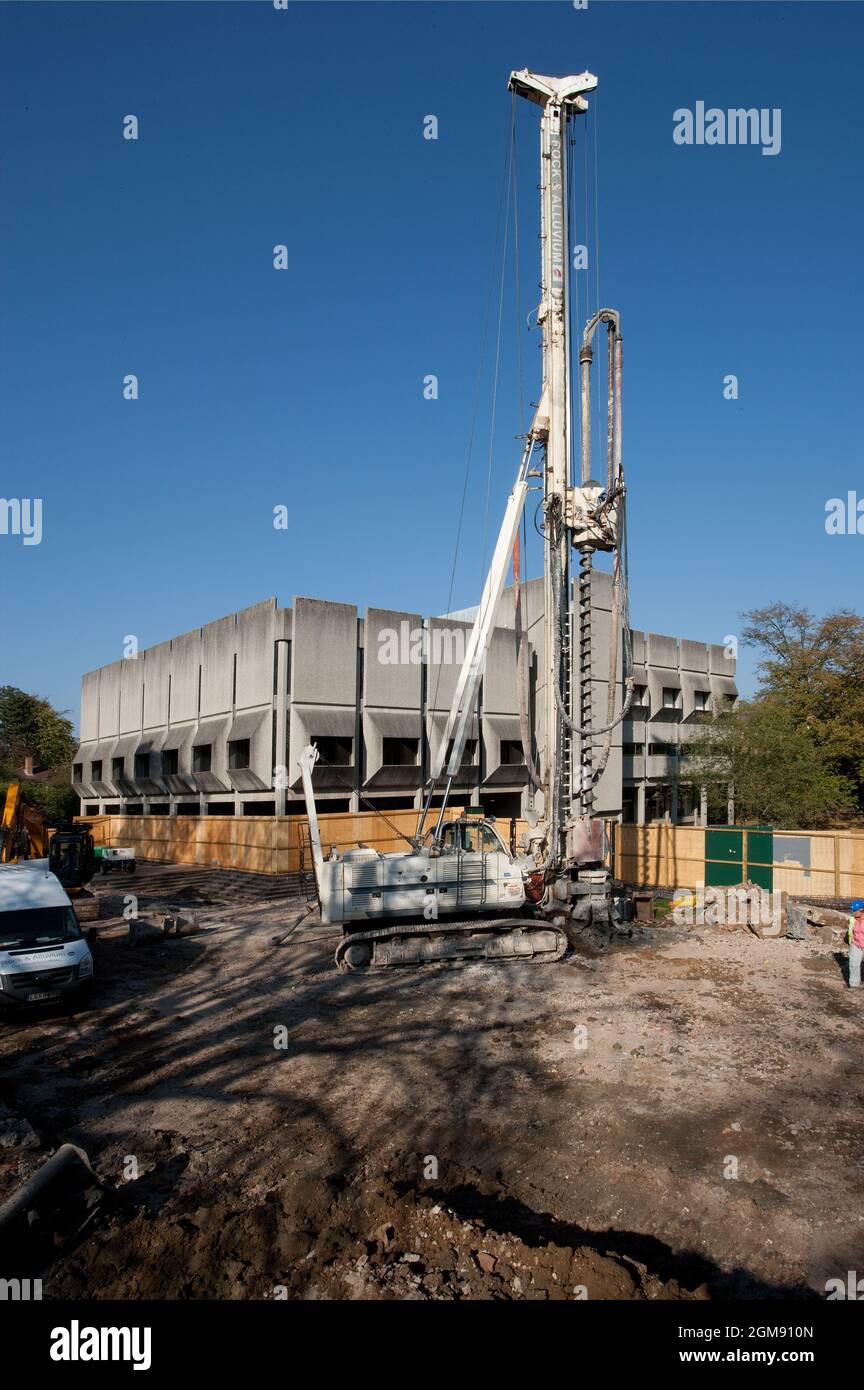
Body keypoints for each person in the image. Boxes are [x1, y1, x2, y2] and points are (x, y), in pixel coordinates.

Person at [847, 899, 864, 989]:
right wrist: (851, 942)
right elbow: (851, 932)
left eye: (855, 911)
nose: (853, 913)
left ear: (861, 910)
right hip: (855, 944)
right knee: (853, 964)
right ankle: (854, 985)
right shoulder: (853, 920)